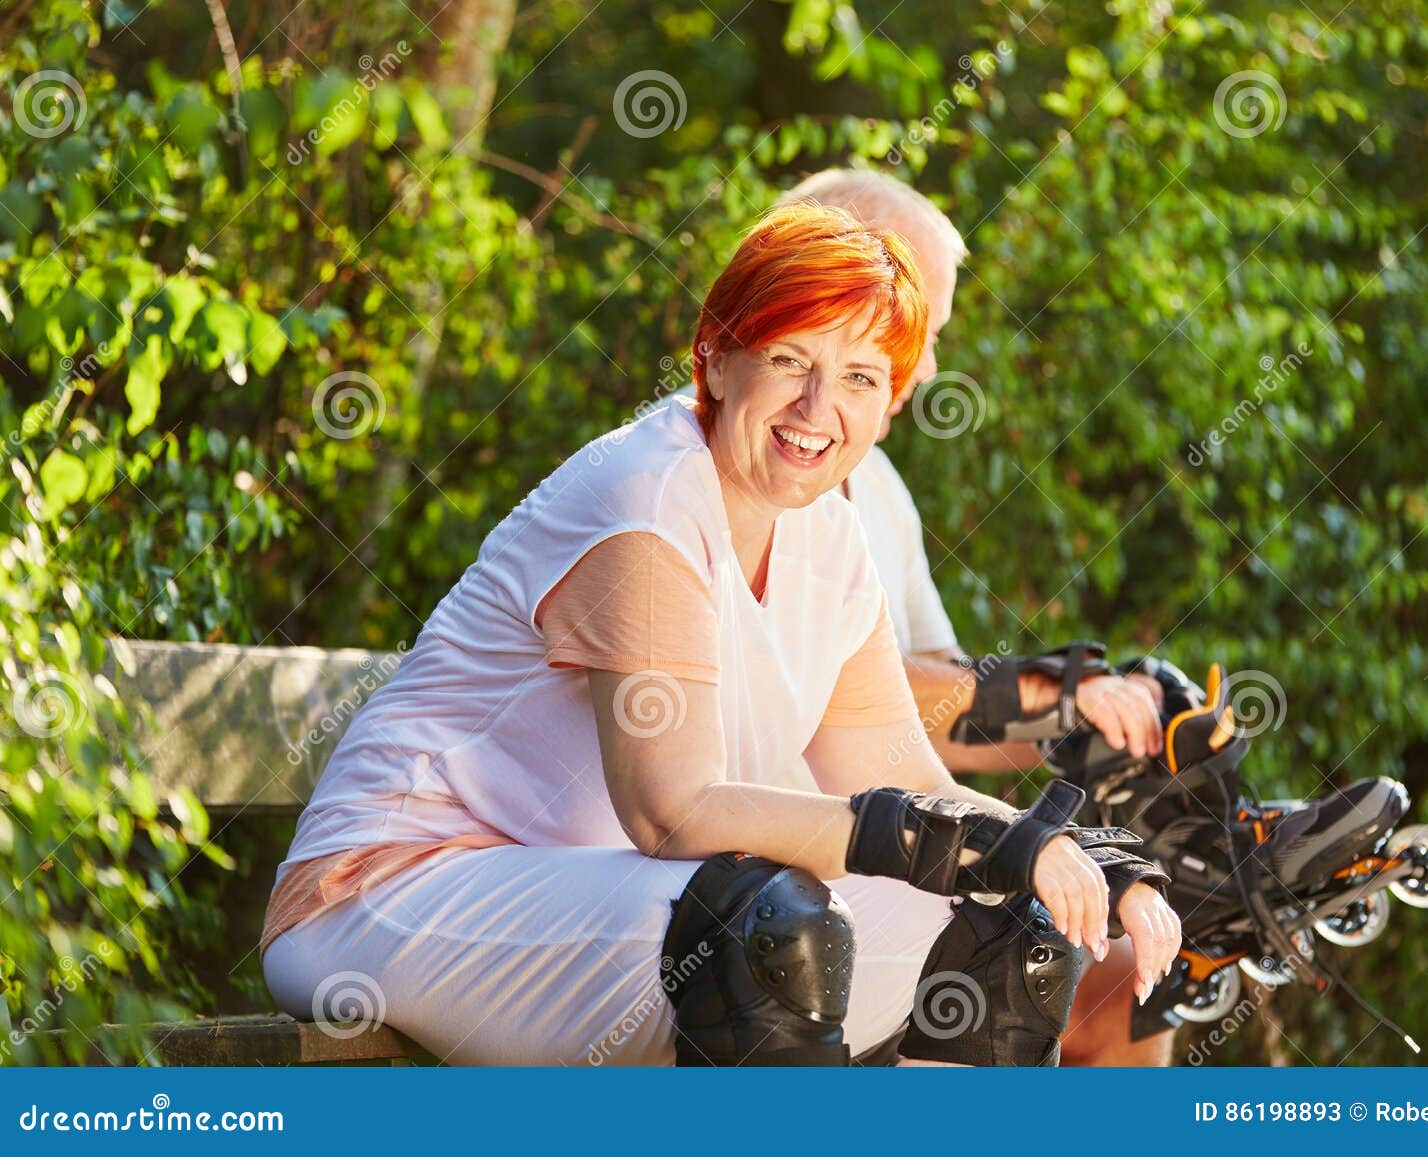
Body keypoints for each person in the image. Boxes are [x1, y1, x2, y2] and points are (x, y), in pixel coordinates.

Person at [260, 204, 1181, 1066]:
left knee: (1010, 927)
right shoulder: (647, 500)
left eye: (859, 378)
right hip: (390, 890)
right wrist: (944, 839)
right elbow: (675, 810)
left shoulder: (828, 531)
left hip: (586, 897)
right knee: (765, 933)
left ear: (889, 404)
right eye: (789, 359)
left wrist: (1078, 859)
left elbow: (904, 782)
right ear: (713, 360)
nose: (819, 407)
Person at [773, 169, 1178, 1066]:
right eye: (917, 322)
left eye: (932, 333)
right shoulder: (768, 469)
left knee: (1131, 988)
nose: (927, 367)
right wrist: (1058, 695)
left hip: (873, 845)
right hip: (777, 874)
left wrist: (1085, 726)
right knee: (1026, 956)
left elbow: (941, 713)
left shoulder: (875, 483)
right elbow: (877, 701)